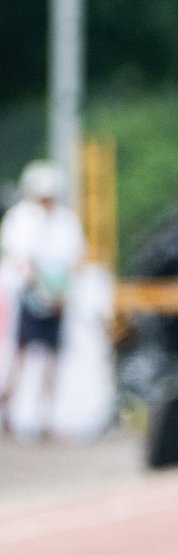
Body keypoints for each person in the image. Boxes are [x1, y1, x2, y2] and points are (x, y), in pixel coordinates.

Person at [0, 161, 85, 438]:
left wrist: (60, 292)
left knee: (52, 359)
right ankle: (9, 414)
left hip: (58, 296)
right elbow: (20, 258)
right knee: (22, 354)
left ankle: (48, 418)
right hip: (31, 296)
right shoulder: (23, 218)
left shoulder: (66, 221)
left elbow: (75, 258)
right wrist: (38, 288)